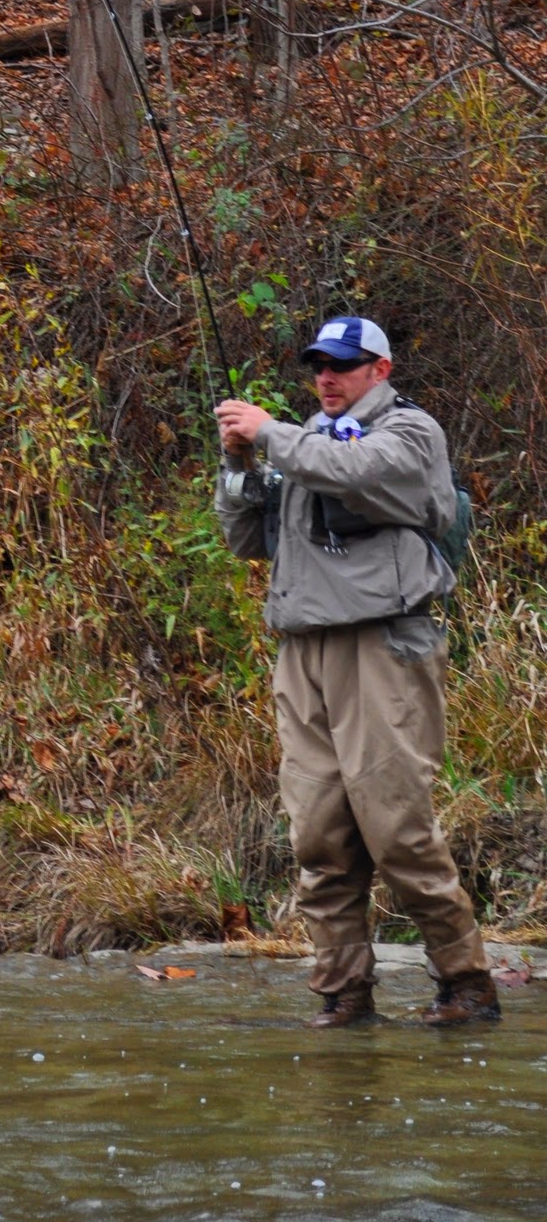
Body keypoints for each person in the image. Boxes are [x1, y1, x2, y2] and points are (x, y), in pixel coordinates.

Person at [213, 316, 499, 1029]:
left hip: (383, 647)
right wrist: (241, 468)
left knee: (396, 830)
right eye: (317, 365)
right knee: (319, 835)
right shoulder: (299, 441)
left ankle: (464, 983)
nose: (326, 377)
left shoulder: (408, 432)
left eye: (343, 364)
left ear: (380, 368)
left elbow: (354, 471)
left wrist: (271, 433)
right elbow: (244, 540)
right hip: (302, 652)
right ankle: (344, 995)